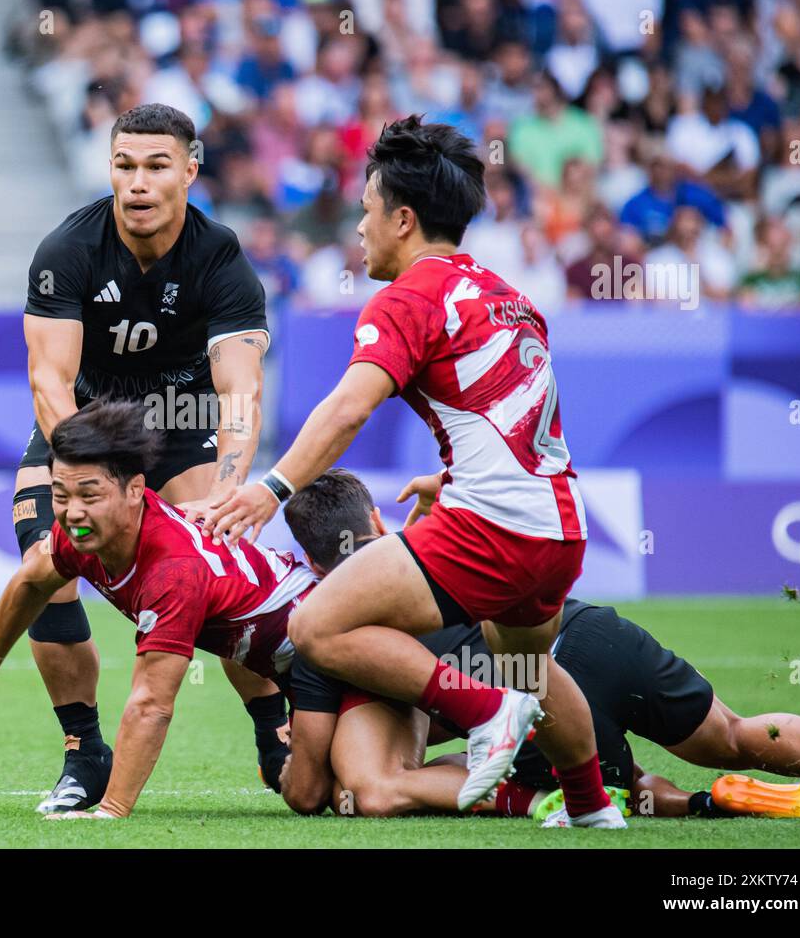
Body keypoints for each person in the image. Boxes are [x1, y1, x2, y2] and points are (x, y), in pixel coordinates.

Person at [207, 114, 624, 829]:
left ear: (403, 219)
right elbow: (514, 415)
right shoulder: (508, 294)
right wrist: (452, 476)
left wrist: (272, 487)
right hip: (558, 525)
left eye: (367, 213)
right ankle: (591, 808)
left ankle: (488, 714)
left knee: (317, 627)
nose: (360, 230)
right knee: (528, 666)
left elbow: (348, 409)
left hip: (494, 522)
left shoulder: (408, 296)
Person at [278, 469, 800, 823]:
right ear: (377, 518)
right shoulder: (430, 544)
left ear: (311, 563)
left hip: (533, 698)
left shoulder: (331, 628)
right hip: (588, 635)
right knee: (734, 734)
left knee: (473, 766)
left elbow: (318, 786)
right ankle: (710, 791)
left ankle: (692, 803)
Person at [14, 103, 280, 814]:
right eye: (124, 165)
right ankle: (83, 751)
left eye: (157, 165)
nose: (137, 182)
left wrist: (228, 489)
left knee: (218, 555)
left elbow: (240, 395)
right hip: (85, 429)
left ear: (190, 170)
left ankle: (272, 725)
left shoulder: (220, 258)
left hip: (183, 423)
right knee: (42, 556)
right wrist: (84, 483)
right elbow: (49, 382)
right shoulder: (67, 250)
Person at [0, 401, 313, 820]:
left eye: (89, 494)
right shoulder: (81, 532)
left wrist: (110, 812)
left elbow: (152, 704)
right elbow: (31, 581)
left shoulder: (173, 571)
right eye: (60, 495)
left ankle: (292, 740)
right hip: (289, 669)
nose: (72, 512)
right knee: (311, 792)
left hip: (322, 662)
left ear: (135, 490)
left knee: (341, 796)